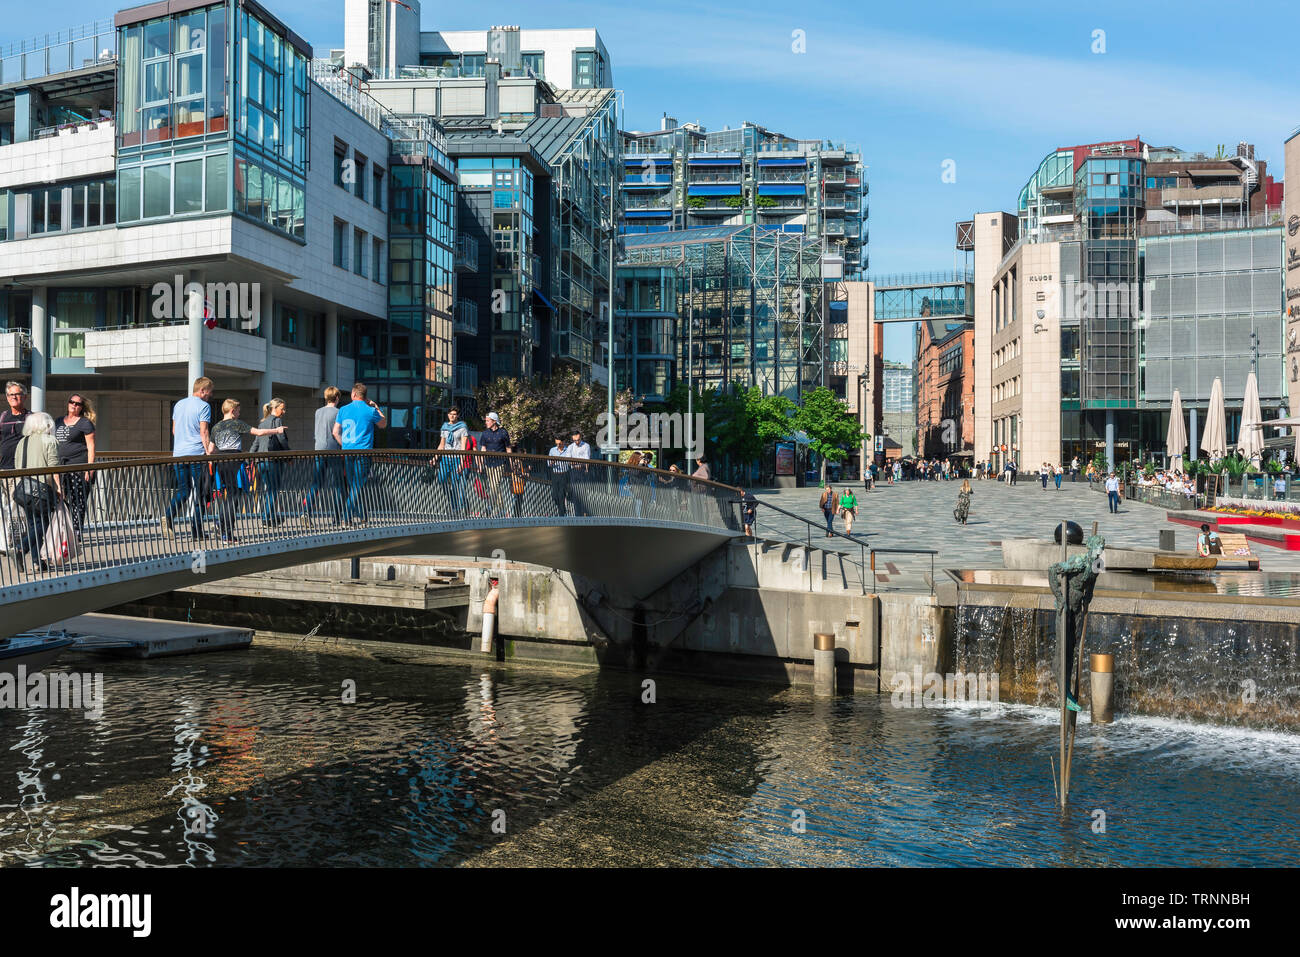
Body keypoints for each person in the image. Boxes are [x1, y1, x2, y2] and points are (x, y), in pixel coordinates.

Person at [211, 399, 283, 543]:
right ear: (232, 411)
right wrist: (276, 430)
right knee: (234, 496)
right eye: (238, 411)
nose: (239, 413)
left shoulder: (216, 427)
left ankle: (221, 524)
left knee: (227, 496)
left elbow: (210, 449)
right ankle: (228, 534)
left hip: (220, 461)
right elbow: (259, 432)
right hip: (234, 462)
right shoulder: (236, 423)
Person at [164, 377, 215, 540]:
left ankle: (168, 516)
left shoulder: (178, 404)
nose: (210, 396)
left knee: (183, 491)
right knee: (200, 493)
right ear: (202, 390)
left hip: (179, 454)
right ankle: (197, 531)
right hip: (196, 454)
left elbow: (174, 430)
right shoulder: (204, 406)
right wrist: (208, 454)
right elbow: (204, 431)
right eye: (209, 392)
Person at [10, 412, 62, 573]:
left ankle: (38, 562)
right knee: (43, 524)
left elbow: (18, 466)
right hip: (42, 490)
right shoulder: (50, 441)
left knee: (34, 524)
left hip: (23, 489)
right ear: (47, 424)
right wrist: (60, 488)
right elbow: (54, 467)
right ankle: (21, 548)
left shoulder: (22, 442)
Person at [333, 382, 387, 524]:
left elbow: (335, 432)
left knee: (353, 485)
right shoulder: (370, 410)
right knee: (357, 485)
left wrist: (344, 445)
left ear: (354, 394)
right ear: (364, 396)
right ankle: (346, 517)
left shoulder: (343, 410)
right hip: (364, 453)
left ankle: (362, 516)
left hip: (348, 452)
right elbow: (383, 424)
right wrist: (376, 407)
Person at [53, 393, 96, 534]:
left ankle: (76, 532)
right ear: (68, 403)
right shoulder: (58, 421)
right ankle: (63, 531)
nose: (74, 405)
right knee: (61, 499)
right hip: (61, 467)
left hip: (79, 466)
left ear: (82, 407)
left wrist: (89, 469)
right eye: (72, 402)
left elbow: (91, 447)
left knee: (78, 500)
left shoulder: (85, 423)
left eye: (78, 404)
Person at [302, 386, 344, 527]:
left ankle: (306, 512)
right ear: (337, 398)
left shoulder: (318, 412)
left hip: (318, 449)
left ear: (326, 397)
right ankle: (338, 518)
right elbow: (337, 432)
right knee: (338, 485)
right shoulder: (339, 412)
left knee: (316, 483)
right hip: (334, 451)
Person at [250, 398, 289, 526]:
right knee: (273, 490)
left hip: (261, 461)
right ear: (274, 408)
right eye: (282, 408)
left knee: (269, 489)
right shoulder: (277, 421)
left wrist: (249, 458)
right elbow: (282, 440)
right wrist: (289, 455)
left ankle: (270, 517)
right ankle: (267, 518)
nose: (284, 411)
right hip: (273, 460)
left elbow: (256, 443)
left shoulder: (262, 423)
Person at [479, 412, 513, 516]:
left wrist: (511, 463)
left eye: (488, 420)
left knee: (495, 485)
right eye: (486, 420)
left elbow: (508, 448)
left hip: (500, 462)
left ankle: (490, 506)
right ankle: (502, 510)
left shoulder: (503, 433)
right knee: (494, 487)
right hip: (488, 463)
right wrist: (480, 464)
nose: (486, 422)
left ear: (494, 421)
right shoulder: (485, 433)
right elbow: (483, 449)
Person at [436, 406, 469, 511]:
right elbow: (442, 445)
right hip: (445, 458)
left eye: (454, 414)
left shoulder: (462, 427)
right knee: (441, 479)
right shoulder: (444, 427)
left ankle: (455, 508)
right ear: (448, 415)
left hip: (456, 458)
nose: (452, 416)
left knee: (455, 484)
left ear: (457, 416)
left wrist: (462, 462)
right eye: (450, 414)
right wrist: (435, 458)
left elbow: (463, 446)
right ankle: (451, 498)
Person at [564, 429, 593, 517]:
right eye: (574, 440)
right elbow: (568, 461)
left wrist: (578, 463)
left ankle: (585, 512)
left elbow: (586, 460)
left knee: (583, 492)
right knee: (575, 493)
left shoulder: (586, 446)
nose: (576, 442)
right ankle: (578, 514)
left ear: (580, 437)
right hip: (574, 471)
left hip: (583, 471)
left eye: (578, 440)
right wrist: (578, 462)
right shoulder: (570, 447)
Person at [548, 433, 570, 516]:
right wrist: (552, 461)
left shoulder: (568, 450)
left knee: (561, 494)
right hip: (555, 474)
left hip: (564, 474)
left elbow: (570, 462)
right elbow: (548, 464)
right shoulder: (552, 450)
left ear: (563, 442)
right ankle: (562, 508)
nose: (558, 445)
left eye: (559, 444)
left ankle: (561, 514)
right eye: (556, 443)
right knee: (555, 495)